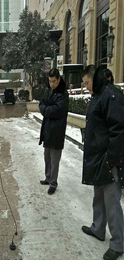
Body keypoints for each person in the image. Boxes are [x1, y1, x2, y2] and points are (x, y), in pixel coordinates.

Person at [81, 65, 124, 260]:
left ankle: (118, 243)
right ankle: (98, 228)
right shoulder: (98, 95)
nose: (86, 87)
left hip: (107, 158)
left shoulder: (111, 96)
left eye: (87, 83)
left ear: (94, 79)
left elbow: (118, 130)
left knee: (111, 201)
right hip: (97, 156)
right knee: (98, 195)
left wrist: (111, 159)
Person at [39, 68, 69, 195]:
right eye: (50, 81)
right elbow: (41, 105)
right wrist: (46, 109)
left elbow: (56, 111)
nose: (52, 84)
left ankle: (53, 183)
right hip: (47, 129)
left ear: (59, 79)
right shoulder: (48, 91)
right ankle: (48, 177)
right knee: (47, 156)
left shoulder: (63, 94)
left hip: (57, 130)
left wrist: (46, 110)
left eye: (54, 81)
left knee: (54, 158)